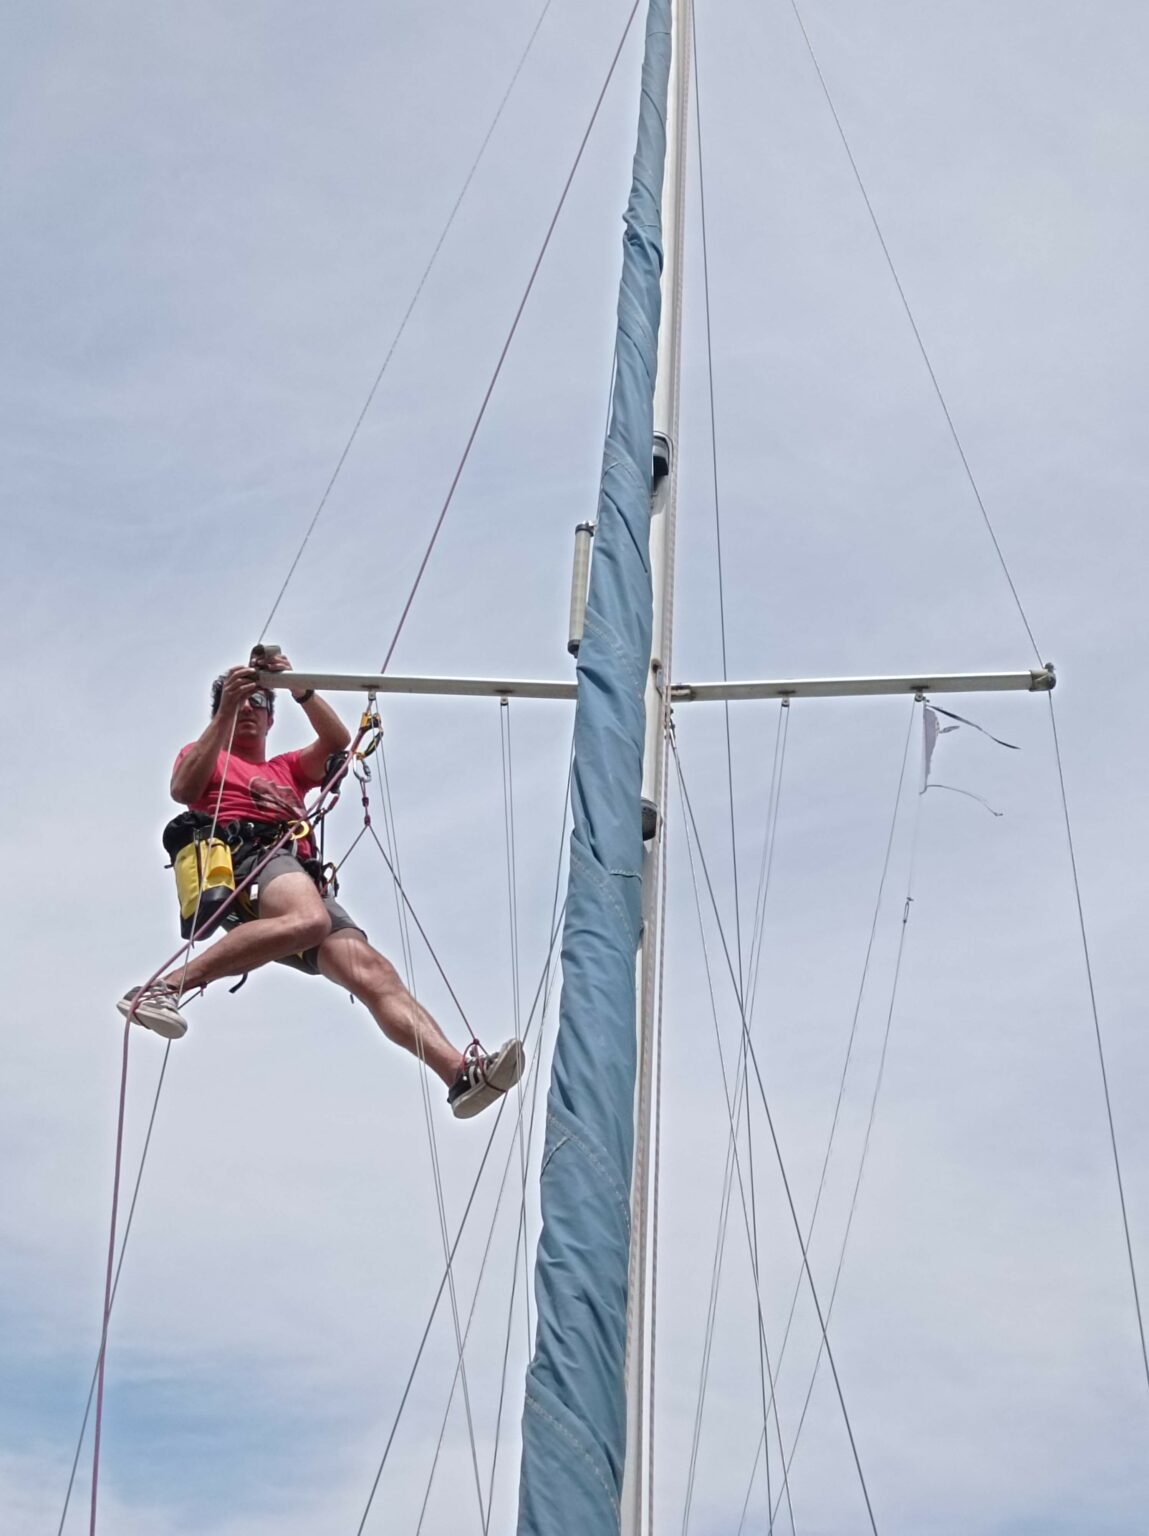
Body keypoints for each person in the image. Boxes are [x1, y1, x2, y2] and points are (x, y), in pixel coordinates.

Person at [117, 652, 524, 1119]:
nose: (249, 709)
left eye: (259, 703)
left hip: (297, 876)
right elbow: (184, 791)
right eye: (239, 702)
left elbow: (337, 740)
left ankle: (459, 1075)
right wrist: (227, 708)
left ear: (272, 719)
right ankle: (163, 987)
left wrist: (298, 686)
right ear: (223, 711)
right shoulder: (207, 752)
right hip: (247, 860)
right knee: (308, 921)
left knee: (373, 973)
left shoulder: (286, 768)